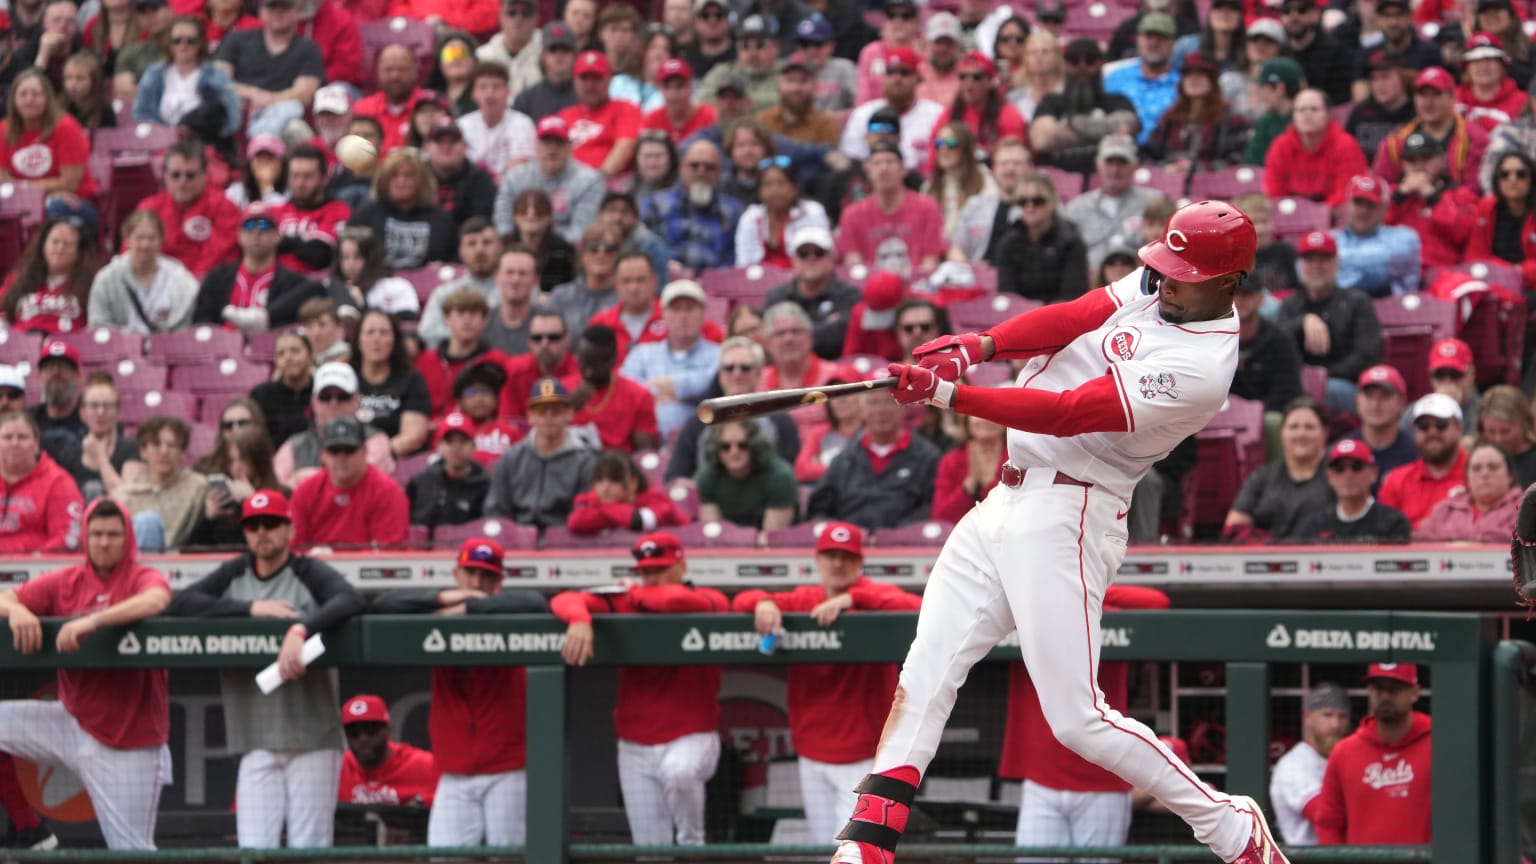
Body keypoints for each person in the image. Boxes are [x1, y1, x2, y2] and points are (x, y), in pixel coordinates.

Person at [827, 200, 1288, 864]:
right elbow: (1076, 316)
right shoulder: (1166, 286)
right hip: (1008, 496)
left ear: (1227, 280)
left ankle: (1228, 824)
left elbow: (1070, 412)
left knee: (1077, 720)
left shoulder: (1203, 370)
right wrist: (979, 347)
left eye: (1182, 271)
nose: (1164, 277)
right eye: (1165, 262)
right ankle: (867, 843)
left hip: (1071, 511)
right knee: (928, 666)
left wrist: (949, 395)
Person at [167, 490, 363, 849]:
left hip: (312, 737)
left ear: (289, 528)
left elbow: (350, 599)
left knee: (310, 849)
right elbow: (179, 602)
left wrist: (301, 629)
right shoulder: (236, 573)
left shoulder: (307, 570)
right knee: (254, 849)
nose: (262, 532)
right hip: (256, 736)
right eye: (253, 525)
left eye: (271, 524)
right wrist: (250, 609)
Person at [733, 523, 921, 843]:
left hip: (866, 756)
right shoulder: (803, 598)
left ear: (860, 562)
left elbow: (917, 607)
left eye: (846, 557)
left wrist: (851, 599)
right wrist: (763, 603)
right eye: (830, 555)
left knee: (857, 851)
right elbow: (741, 600)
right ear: (817, 560)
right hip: (813, 754)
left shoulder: (874, 597)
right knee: (824, 846)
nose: (837, 563)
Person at [0, 499, 170, 850]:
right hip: (69, 721)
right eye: (96, 534)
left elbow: (155, 600)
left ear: (127, 539)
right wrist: (16, 611)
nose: (104, 542)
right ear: (85, 538)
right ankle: (30, 829)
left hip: (127, 739)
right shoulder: (67, 580)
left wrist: (93, 621)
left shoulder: (140, 576)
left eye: (112, 535)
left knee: (133, 854)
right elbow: (4, 597)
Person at [551, 532, 727, 846]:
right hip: (635, 745)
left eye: (659, 570)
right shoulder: (628, 599)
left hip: (692, 735)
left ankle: (693, 845)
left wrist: (632, 591)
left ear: (682, 567)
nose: (651, 578)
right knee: (649, 847)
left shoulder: (707, 599)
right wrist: (579, 619)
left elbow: (674, 601)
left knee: (680, 773)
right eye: (645, 572)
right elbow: (563, 599)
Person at [370, 538, 548, 844]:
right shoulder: (442, 608)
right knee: (443, 853)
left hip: (506, 768)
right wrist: (445, 600)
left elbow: (535, 602)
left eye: (487, 575)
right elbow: (384, 603)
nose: (477, 581)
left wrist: (470, 607)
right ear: (457, 574)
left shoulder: (510, 613)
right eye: (471, 573)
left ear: (499, 581)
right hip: (454, 771)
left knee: (509, 856)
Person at [1003, 586, 1174, 850]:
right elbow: (925, 609)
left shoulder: (1102, 609)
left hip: (1102, 779)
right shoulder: (1027, 608)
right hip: (1042, 778)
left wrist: (1081, 585)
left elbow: (1158, 602)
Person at [1312, 663, 1432, 845]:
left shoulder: (1437, 745)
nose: (1385, 696)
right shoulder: (1345, 752)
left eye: (1394, 689)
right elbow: (1329, 824)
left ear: (1415, 693)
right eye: (1378, 688)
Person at [1274, 232, 1384, 415]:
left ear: (1336, 264)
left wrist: (1322, 375)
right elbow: (1276, 348)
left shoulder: (1357, 302)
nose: (1316, 267)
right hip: (1299, 385)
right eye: (1310, 261)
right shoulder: (1290, 305)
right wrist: (1302, 322)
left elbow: (1367, 357)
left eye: (1323, 260)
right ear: (1300, 266)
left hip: (1346, 385)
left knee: (1325, 390)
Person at [666, 337, 800, 484]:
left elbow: (788, 477)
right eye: (729, 368)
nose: (737, 374)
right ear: (720, 374)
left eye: (745, 368)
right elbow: (675, 476)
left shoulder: (780, 420)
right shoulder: (698, 421)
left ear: (759, 374)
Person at [807, 385, 941, 531]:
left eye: (889, 402)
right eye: (873, 402)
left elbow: (933, 507)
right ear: (862, 410)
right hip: (849, 546)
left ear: (903, 408)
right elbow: (818, 509)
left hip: (903, 547)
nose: (881, 410)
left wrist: (892, 535)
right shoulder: (845, 458)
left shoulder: (928, 458)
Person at [194, 203, 326, 335]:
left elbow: (317, 291)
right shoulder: (217, 278)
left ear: (278, 236)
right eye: (249, 225)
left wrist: (266, 316)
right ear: (239, 235)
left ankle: (261, 318)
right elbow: (201, 323)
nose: (256, 232)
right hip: (221, 350)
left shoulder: (292, 283)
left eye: (264, 225)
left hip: (270, 351)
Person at [618, 279, 721, 439]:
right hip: (648, 443)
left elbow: (710, 383)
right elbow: (624, 390)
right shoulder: (642, 353)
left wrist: (655, 391)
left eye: (690, 308)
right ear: (663, 314)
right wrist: (688, 394)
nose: (683, 316)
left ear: (703, 313)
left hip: (701, 442)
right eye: (676, 309)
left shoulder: (719, 354)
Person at [486, 378, 594, 526]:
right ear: (530, 415)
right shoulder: (511, 458)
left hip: (567, 539)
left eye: (556, 410)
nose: (548, 416)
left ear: (569, 414)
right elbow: (495, 509)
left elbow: (587, 512)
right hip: (518, 539)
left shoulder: (585, 461)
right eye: (541, 410)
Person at [1224, 398, 1334, 541]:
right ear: (1281, 432)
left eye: (1309, 427)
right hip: (1270, 558)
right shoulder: (1261, 477)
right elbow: (1234, 527)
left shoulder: (1341, 473)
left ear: (1325, 432)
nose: (1301, 434)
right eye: (1293, 427)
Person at [289, 417, 408, 549]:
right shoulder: (306, 491)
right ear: (323, 454)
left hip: (369, 567)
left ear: (364, 451)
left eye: (349, 450)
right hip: (315, 567)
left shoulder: (387, 491)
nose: (341, 458)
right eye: (334, 451)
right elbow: (295, 546)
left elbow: (390, 552)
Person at [275, 362, 395, 488]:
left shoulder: (376, 441)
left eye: (343, 396)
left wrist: (302, 478)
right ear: (314, 402)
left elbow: (355, 481)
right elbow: (277, 487)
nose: (334, 403)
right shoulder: (293, 446)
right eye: (325, 397)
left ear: (356, 400)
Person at [1029, 38, 1140, 175]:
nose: (1082, 68)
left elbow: (1126, 128)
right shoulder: (1051, 102)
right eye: (1074, 61)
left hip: (1107, 175)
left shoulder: (1117, 100)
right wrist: (1106, 130)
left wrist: (1071, 123)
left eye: (1090, 61)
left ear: (1100, 64)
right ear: (1065, 65)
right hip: (1058, 176)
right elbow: (1042, 140)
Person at [213, 0, 323, 137]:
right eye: (272, 8)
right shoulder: (236, 39)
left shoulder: (308, 48)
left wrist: (270, 100)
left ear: (296, 12)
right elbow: (217, 80)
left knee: (296, 126)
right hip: (240, 106)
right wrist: (254, 95)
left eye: (284, 8)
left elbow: (305, 93)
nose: (278, 13)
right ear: (261, 12)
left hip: (284, 111)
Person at [1375, 67, 1489, 195]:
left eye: (1436, 94)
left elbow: (1474, 191)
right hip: (1408, 208)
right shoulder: (1395, 142)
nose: (1428, 103)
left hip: (1455, 210)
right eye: (1422, 95)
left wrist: (1434, 196)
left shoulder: (1474, 139)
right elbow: (1380, 188)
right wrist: (1402, 190)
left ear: (1452, 97)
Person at [137, 140, 242, 279]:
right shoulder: (149, 209)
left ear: (204, 176)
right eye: (176, 175)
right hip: (154, 286)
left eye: (190, 175)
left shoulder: (224, 208)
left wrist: (185, 289)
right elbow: (133, 255)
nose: (182, 182)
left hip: (204, 289)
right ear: (165, 176)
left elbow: (217, 259)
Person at [836, 144, 945, 276]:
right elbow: (854, 268)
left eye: (890, 161)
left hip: (917, 290)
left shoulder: (927, 207)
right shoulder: (852, 214)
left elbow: (930, 263)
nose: (883, 168)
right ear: (868, 171)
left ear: (903, 169)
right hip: (870, 290)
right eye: (876, 163)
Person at [494, 117, 604, 246]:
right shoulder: (515, 177)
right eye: (546, 142)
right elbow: (503, 224)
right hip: (518, 250)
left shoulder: (589, 180)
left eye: (559, 142)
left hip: (565, 253)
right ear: (535, 145)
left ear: (570, 146)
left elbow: (581, 232)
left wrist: (539, 242)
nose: (552, 149)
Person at [640, 138, 742, 275]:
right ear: (682, 167)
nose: (701, 172)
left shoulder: (732, 210)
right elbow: (642, 249)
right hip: (666, 282)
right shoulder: (655, 205)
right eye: (694, 165)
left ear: (719, 171)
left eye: (709, 167)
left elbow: (737, 258)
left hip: (717, 287)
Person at [1268, 684, 1352, 847]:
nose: (1336, 724)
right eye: (1327, 715)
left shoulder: (1347, 758)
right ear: (1307, 716)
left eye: (1342, 716)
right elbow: (1324, 814)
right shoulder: (1293, 765)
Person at [87, 211, 197, 334]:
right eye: (139, 238)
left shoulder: (179, 277)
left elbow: (186, 326)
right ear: (127, 239)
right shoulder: (107, 278)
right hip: (119, 350)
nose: (145, 245)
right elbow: (97, 325)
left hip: (167, 349)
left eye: (152, 238)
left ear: (161, 240)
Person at [131, 16, 241, 137]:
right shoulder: (154, 74)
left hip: (203, 141)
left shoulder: (216, 74)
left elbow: (232, 116)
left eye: (190, 41)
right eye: (177, 40)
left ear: (200, 43)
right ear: (169, 43)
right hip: (161, 141)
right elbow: (141, 113)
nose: (183, 46)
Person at [1385, 132, 1480, 270]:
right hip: (1394, 273)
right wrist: (1398, 197)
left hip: (1442, 272)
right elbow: (1368, 230)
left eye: (1426, 158)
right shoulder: (1389, 194)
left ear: (1442, 160)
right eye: (1411, 160)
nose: (1419, 166)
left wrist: (1432, 198)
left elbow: (1462, 235)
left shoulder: (1461, 195)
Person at [112, 416, 208, 552]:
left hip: (182, 565)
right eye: (156, 444)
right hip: (134, 564)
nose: (164, 451)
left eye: (172, 445)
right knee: (147, 522)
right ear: (143, 451)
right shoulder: (123, 496)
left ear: (182, 453)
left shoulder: (198, 486)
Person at [349, 150, 457, 272]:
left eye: (408, 175)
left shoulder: (441, 218)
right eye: (394, 176)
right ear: (384, 181)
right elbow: (349, 253)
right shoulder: (367, 214)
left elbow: (453, 259)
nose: (401, 180)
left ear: (421, 181)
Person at [414, 288, 512, 418]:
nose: (467, 320)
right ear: (446, 320)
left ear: (484, 321)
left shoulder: (498, 361)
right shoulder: (424, 361)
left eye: (473, 313)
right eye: (460, 313)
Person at [1263, 89, 1369, 207]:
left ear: (1329, 114)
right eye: (1301, 110)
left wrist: (1316, 213)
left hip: (1333, 219)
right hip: (1288, 217)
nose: (1307, 115)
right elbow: (1273, 192)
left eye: (1314, 109)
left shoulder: (1346, 146)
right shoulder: (1280, 146)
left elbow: (1347, 194)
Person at [1290, 439, 1412, 541]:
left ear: (1373, 474)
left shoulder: (1393, 523)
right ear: (1329, 477)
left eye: (1356, 467)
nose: (1348, 475)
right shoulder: (1314, 526)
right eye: (1339, 468)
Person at [0, 70, 95, 200]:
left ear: (47, 99)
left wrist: (25, 187)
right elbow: (4, 180)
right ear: (14, 100)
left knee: (54, 205)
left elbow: (69, 184)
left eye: (36, 94)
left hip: (73, 201)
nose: (29, 100)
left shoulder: (66, 127)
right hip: (23, 202)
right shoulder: (4, 129)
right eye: (23, 94)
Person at [1379, 392, 1469, 528]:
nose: (1432, 432)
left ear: (1459, 428)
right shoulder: (1396, 481)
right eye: (1423, 426)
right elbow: (1385, 535)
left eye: (1441, 425)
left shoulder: (1481, 474)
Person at [995, 173, 1089, 303]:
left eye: (1037, 201)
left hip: (1058, 315)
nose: (1030, 207)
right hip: (1020, 315)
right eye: (1023, 202)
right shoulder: (1009, 243)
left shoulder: (1070, 241)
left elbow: (1072, 295)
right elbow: (1007, 294)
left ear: (1051, 203)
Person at [567, 324, 660, 453]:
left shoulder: (638, 396)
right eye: (584, 362)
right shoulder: (562, 390)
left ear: (614, 359)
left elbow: (645, 455)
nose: (588, 372)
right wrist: (565, 409)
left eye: (596, 365)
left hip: (617, 468)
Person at [352, 309, 431, 459]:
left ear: (394, 340)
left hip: (395, 461)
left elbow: (413, 437)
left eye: (384, 333)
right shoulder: (345, 377)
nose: (377, 339)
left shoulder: (412, 380)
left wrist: (373, 458)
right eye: (369, 332)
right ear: (358, 340)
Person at [695, 419, 798, 534]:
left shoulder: (779, 476)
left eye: (742, 445)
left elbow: (771, 539)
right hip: (725, 545)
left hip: (771, 547)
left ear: (754, 445)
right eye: (725, 446)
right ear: (716, 448)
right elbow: (713, 534)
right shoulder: (707, 477)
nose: (734, 452)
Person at [336, 694, 440, 807]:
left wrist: (423, 802)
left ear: (388, 729)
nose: (363, 738)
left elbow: (457, 796)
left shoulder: (424, 765)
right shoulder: (336, 769)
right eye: (354, 732)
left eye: (371, 729)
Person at [0, 410, 81, 552]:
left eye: (23, 437)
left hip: (37, 568)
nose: (15, 443)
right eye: (7, 437)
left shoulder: (58, 482)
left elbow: (68, 538)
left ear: (36, 444)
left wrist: (37, 559)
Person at [417, 218, 504, 349]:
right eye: (472, 243)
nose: (480, 250)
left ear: (500, 248)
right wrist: (466, 335)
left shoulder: (515, 291)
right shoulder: (444, 293)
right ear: (461, 251)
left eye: (487, 243)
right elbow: (427, 333)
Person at [0, 215, 95, 334]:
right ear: (43, 245)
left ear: (79, 252)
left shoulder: (91, 284)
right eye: (55, 242)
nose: (60, 249)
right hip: (22, 347)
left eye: (67, 244)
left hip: (68, 347)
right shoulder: (19, 279)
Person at [1332, 174, 1422, 298]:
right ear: (1347, 205)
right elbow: (1303, 271)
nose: (1363, 211)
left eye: (1371, 204)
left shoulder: (1404, 238)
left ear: (1385, 208)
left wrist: (1336, 267)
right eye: (1358, 203)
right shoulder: (1332, 238)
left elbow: (1378, 266)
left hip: (1392, 313)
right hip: (1341, 312)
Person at [1414, 440, 1521, 540]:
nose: (1484, 474)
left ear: (1510, 475)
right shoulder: (1444, 510)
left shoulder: (1526, 509)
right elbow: (1419, 541)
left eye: (1493, 467)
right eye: (1476, 468)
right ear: (1467, 477)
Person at [1103, 13, 1181, 146]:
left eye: (1161, 37)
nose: (1153, 42)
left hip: (1163, 153)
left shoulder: (1183, 83)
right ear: (1137, 40)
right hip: (1116, 150)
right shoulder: (1115, 77)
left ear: (1172, 43)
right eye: (1148, 36)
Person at [557, 50, 639, 177]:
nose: (590, 85)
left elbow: (625, 148)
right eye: (585, 79)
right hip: (567, 185)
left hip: (609, 184)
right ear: (575, 82)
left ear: (609, 80)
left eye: (596, 78)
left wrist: (597, 181)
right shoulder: (564, 115)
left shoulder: (625, 108)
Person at [1229, 274, 1302, 416]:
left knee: (1272, 421)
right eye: (1234, 294)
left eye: (1246, 294)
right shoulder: (1217, 339)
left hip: (1268, 412)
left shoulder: (1279, 340)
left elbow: (1289, 391)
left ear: (1260, 299)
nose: (1239, 300)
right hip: (1225, 414)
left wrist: (1254, 410)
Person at [567, 449, 684, 534]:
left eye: (614, 480)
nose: (605, 488)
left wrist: (602, 509)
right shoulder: (592, 498)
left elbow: (641, 521)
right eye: (600, 480)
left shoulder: (657, 499)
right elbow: (575, 522)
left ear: (633, 483)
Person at [70, 373, 142, 501]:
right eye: (94, 406)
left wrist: (100, 456)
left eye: (107, 406)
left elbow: (129, 499)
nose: (100, 412)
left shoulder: (131, 448)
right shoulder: (69, 454)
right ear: (83, 413)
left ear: (118, 412)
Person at [1343, 365, 1418, 478]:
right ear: (1357, 401)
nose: (1375, 404)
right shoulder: (1342, 453)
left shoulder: (1419, 451)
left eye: (1385, 396)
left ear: (1402, 402)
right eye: (1369, 396)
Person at [1346, 51, 1416, 165]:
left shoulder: (1417, 111)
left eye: (1386, 77)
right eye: (1374, 79)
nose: (1380, 84)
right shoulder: (1360, 112)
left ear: (1404, 77)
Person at [251, 331, 315, 448]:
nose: (288, 357)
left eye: (295, 350)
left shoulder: (323, 393)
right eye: (281, 353)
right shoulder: (261, 395)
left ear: (310, 355)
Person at [1455, 33, 1525, 134]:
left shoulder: (1522, 102)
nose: (1484, 66)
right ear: (1466, 68)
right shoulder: (1453, 99)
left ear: (1502, 65)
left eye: (1490, 59)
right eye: (1476, 60)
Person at [1475, 385, 1536, 486]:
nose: (1498, 439)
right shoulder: (1475, 457)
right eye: (1491, 431)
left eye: (1505, 431)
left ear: (1524, 423)